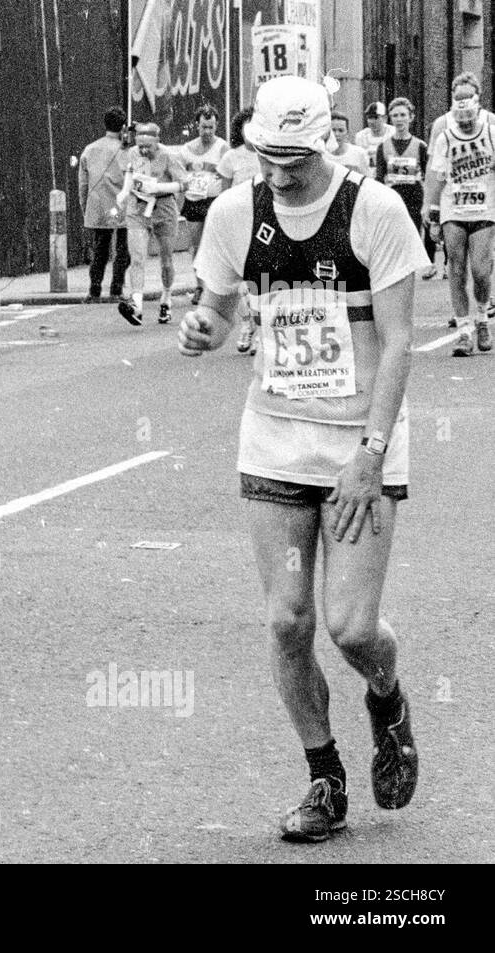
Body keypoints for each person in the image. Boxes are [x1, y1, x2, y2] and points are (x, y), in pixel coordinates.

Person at [180, 75, 426, 843]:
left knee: (352, 629)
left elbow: (397, 344)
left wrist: (370, 454)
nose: (277, 173)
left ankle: (387, 698)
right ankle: (324, 777)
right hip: (276, 439)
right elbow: (218, 309)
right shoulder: (234, 211)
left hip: (360, 441)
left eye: (292, 158)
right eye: (264, 156)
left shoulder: (373, 211)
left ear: (324, 142)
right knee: (288, 620)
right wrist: (203, 326)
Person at [426, 71, 495, 355]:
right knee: (455, 267)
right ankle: (465, 332)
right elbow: (436, 173)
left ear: (477, 100)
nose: (464, 104)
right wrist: (430, 211)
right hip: (453, 207)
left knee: (480, 270)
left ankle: (481, 316)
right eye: (459, 98)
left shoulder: (491, 128)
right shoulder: (443, 131)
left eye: (469, 97)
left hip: (484, 206)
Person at [113, 122, 188, 326]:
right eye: (140, 145)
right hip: (138, 208)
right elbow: (130, 174)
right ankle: (136, 305)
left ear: (157, 142)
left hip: (163, 208)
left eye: (149, 146)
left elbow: (184, 183)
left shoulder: (169, 156)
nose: (144, 150)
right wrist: (124, 192)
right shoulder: (133, 154)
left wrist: (158, 187)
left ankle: (166, 297)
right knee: (137, 257)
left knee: (166, 260)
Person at [216, 106, 262, 354]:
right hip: (237, 223)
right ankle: (247, 323)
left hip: (265, 224)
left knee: (260, 278)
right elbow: (224, 195)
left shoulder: (267, 154)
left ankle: (260, 330)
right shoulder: (230, 158)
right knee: (237, 278)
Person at [78, 106, 131, 302]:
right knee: (123, 249)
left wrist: (86, 208)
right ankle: (116, 289)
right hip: (120, 207)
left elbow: (83, 185)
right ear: (123, 126)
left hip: (99, 205)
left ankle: (94, 290)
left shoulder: (89, 150)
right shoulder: (127, 151)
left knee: (100, 248)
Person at [179, 105, 229, 305]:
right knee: (197, 246)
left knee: (215, 246)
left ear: (216, 126)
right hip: (193, 201)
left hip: (213, 202)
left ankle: (214, 288)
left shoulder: (222, 148)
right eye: (203, 127)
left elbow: (228, 175)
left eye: (211, 127)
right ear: (196, 126)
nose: (207, 132)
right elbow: (179, 174)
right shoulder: (187, 150)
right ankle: (199, 286)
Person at [377, 98, 430, 277]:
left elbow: (428, 175)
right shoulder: (383, 147)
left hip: (414, 196)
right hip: (392, 196)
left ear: (411, 117)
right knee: (393, 236)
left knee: (412, 235)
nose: (399, 120)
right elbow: (379, 177)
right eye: (395, 116)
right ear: (390, 119)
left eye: (403, 115)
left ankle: (410, 272)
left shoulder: (420, 146)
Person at [327, 111, 371, 176]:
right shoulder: (321, 155)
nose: (336, 134)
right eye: (333, 130)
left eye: (341, 130)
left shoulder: (359, 153)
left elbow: (367, 181)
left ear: (347, 133)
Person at [355, 102, 390, 179]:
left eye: (376, 117)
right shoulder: (361, 136)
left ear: (385, 118)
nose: (372, 121)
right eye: (369, 117)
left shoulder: (392, 133)